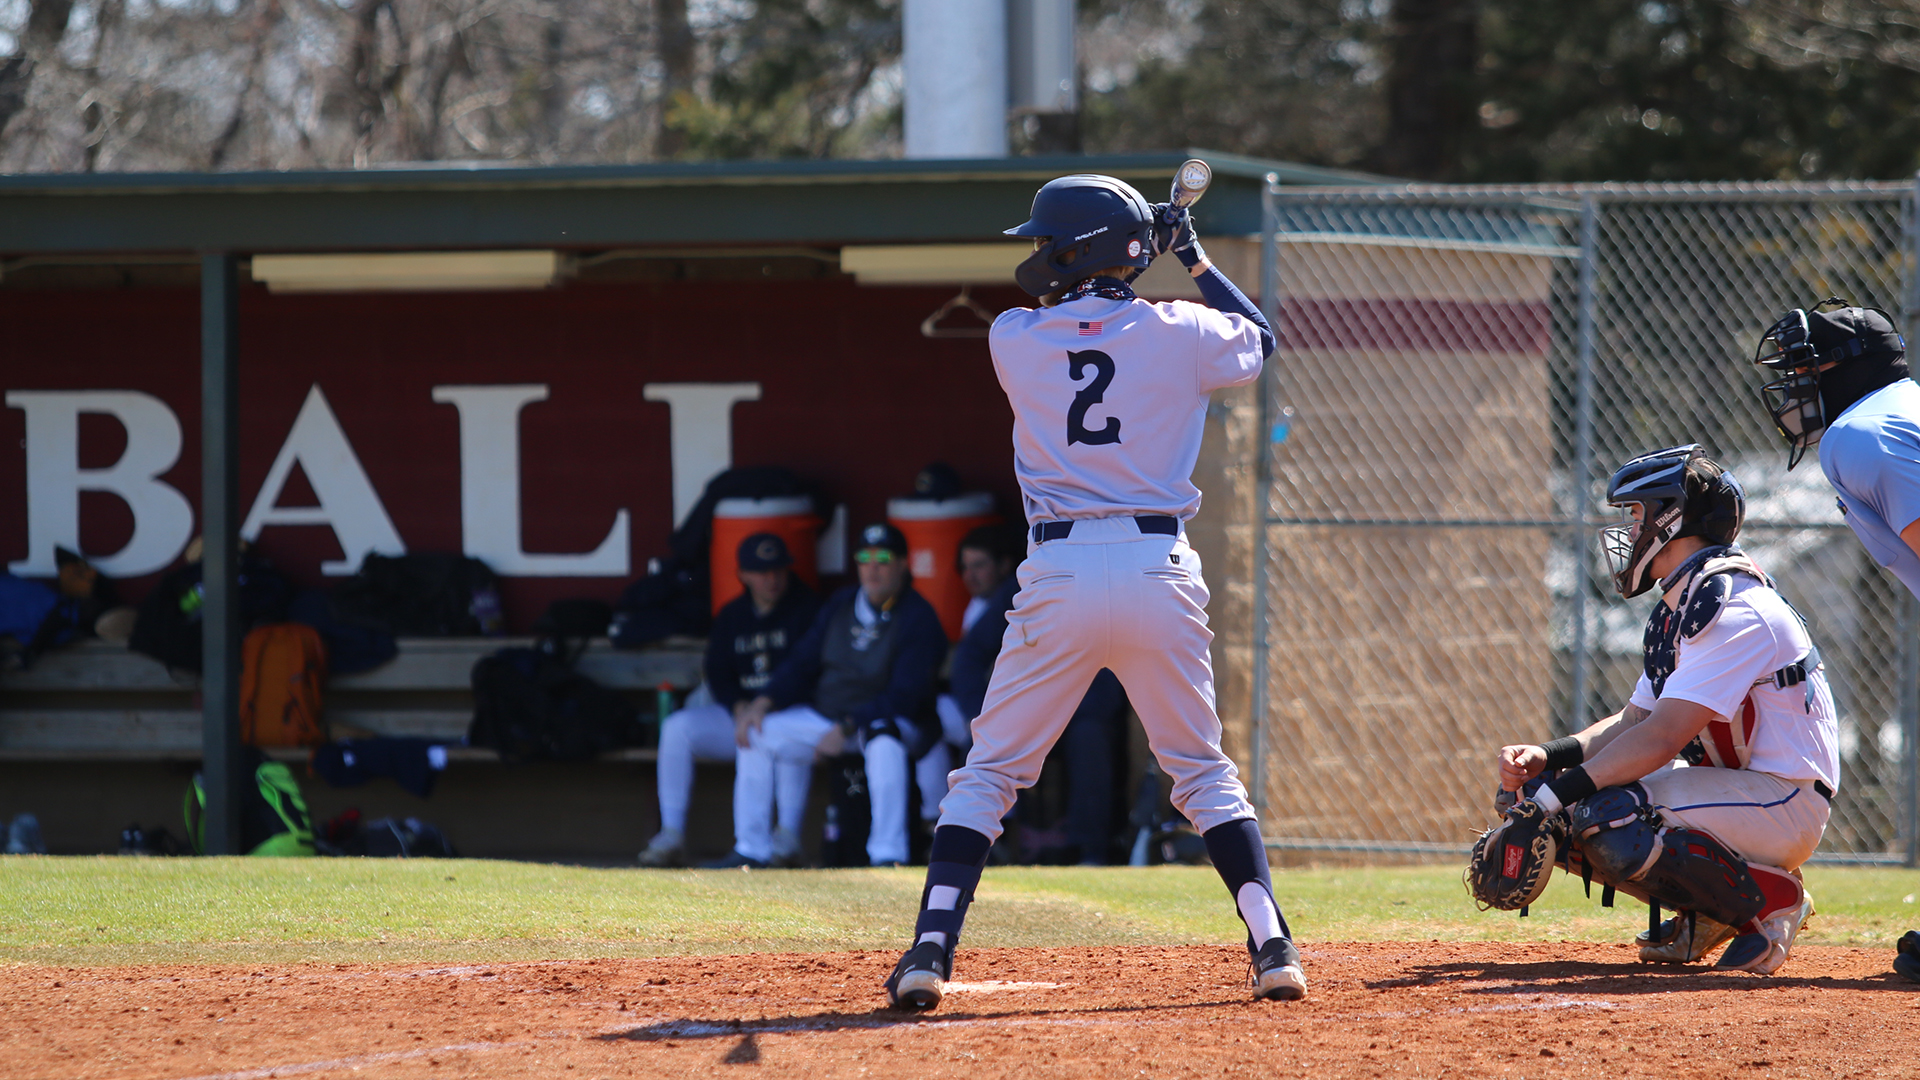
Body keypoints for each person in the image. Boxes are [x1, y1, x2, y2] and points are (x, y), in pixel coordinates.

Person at [884, 171, 1305, 1010]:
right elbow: (1261, 338)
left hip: (1061, 570)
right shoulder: (1185, 329)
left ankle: (930, 948)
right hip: (1157, 567)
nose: (1038, 253)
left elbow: (1078, 317)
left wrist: (1148, 249)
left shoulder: (1013, 337)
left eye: (1048, 241)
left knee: (989, 774)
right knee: (1202, 773)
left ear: (1078, 250)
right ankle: (1273, 946)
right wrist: (1191, 257)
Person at [1495, 445, 1836, 974]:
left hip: (1784, 799)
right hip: (1740, 791)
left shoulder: (1733, 607)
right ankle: (1713, 910)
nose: (1628, 531)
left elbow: (1661, 739)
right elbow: (1636, 721)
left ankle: (1769, 903)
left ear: (1670, 520)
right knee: (1545, 794)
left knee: (1607, 814)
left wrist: (1552, 799)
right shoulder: (1688, 600)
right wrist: (1549, 758)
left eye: (1636, 515)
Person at [721, 522, 949, 868]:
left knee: (884, 740)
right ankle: (752, 849)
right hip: (829, 717)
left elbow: (905, 695)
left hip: (891, 721)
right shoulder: (842, 603)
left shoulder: (918, 615)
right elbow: (802, 661)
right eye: (865, 559)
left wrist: (846, 727)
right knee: (755, 732)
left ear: (903, 564)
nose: (872, 568)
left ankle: (887, 854)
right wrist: (763, 703)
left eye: (883, 559)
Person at [943, 523, 1125, 865]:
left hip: (1082, 711)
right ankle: (983, 845)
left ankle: (1090, 852)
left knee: (1092, 737)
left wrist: (1077, 711)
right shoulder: (1026, 587)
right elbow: (969, 657)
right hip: (1030, 710)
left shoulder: (1106, 587)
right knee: (987, 737)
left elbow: (1113, 668)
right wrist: (980, 712)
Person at [637, 533, 818, 867]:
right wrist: (738, 706)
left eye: (778, 570)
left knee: (779, 733)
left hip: (788, 712)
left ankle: (787, 838)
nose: (772, 579)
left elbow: (807, 671)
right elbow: (718, 671)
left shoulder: (807, 609)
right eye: (762, 572)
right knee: (677, 727)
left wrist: (766, 705)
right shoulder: (733, 615)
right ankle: (671, 833)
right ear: (743, 574)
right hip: (741, 715)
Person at [1750, 298, 1920, 594]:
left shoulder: (1859, 433)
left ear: (1851, 363)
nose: (1795, 382)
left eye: (1804, 368)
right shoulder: (1904, 405)